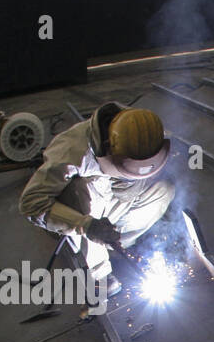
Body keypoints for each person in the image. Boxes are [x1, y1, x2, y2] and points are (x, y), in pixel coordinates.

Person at [19, 103, 174, 295]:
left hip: (113, 202)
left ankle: (118, 243)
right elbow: (31, 203)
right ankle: (100, 272)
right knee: (82, 189)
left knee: (164, 189)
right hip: (82, 213)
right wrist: (86, 225)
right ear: (108, 150)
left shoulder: (147, 136)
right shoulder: (73, 151)